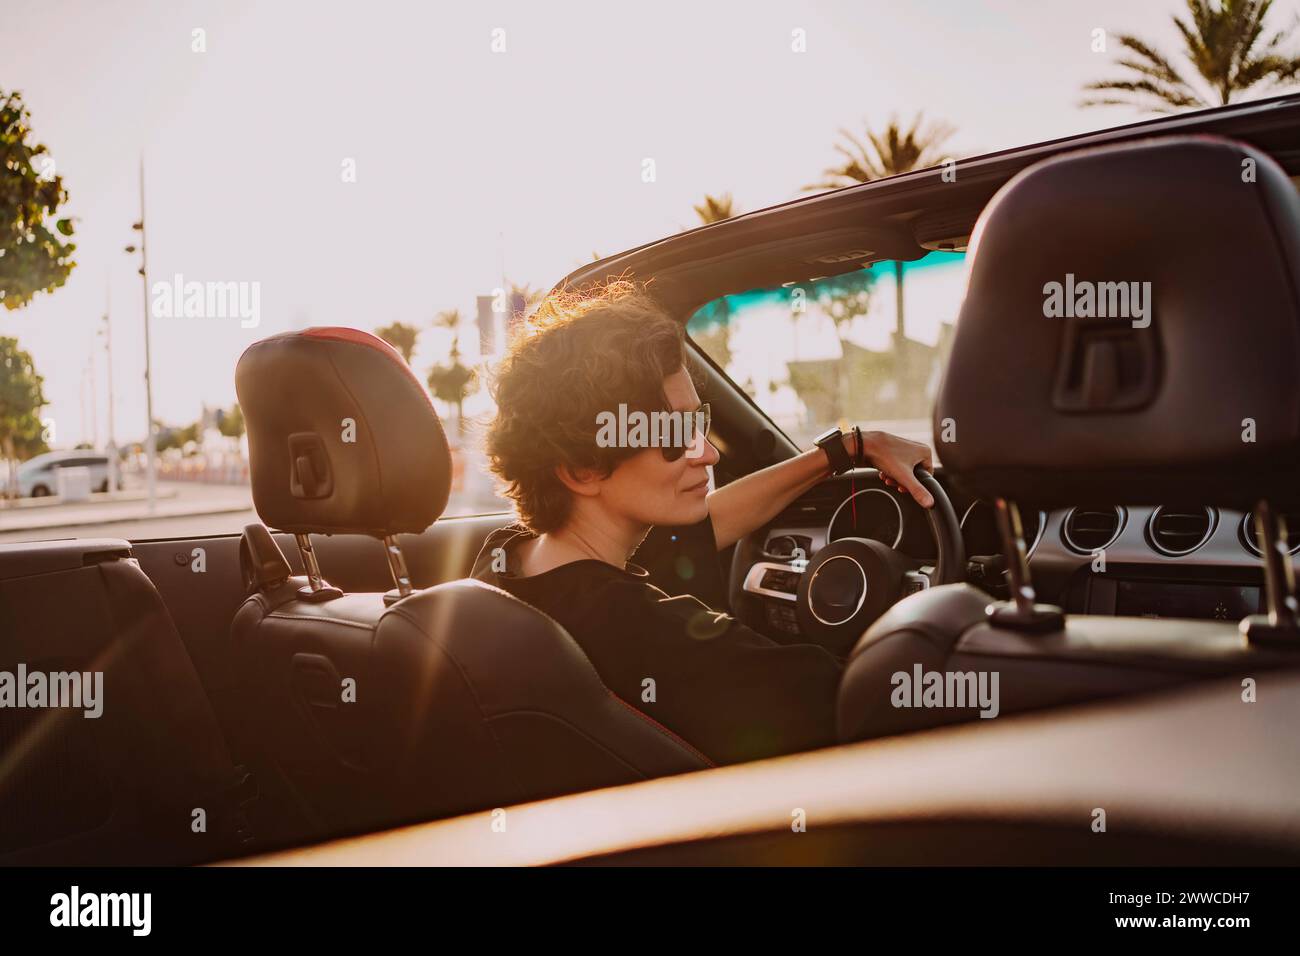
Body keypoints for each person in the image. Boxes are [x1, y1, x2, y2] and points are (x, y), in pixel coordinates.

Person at [471, 280, 934, 765]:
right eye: (674, 435)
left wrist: (845, 450)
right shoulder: (667, 641)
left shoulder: (505, 565)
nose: (708, 453)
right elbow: (868, 703)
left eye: (700, 422)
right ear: (583, 469)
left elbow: (701, 526)